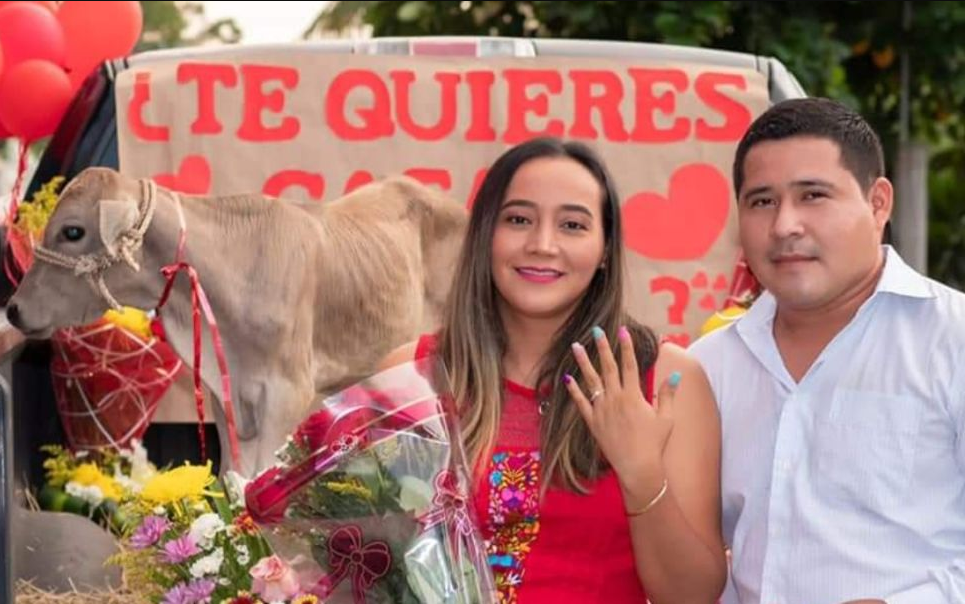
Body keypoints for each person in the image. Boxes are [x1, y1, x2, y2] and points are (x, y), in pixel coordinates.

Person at [380, 137, 726, 604]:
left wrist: (642, 472)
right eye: (518, 220)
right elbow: (350, 556)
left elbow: (692, 596)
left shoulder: (664, 380)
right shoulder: (411, 375)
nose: (542, 245)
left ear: (605, 249)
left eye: (572, 225)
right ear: (484, 235)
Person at [689, 97, 965, 604]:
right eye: (762, 201)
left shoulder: (953, 340)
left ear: (878, 203)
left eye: (813, 195)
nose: (784, 225)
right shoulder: (708, 366)